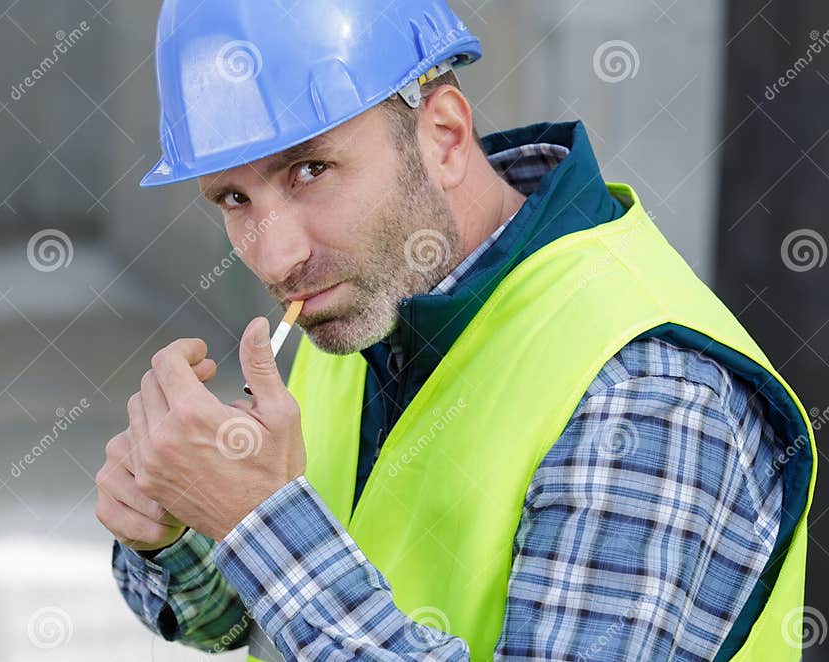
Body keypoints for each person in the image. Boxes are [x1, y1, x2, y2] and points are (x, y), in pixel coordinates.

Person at [94, 1, 817, 660]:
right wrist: (178, 525)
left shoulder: (649, 395)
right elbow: (241, 621)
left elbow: (294, 574)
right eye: (232, 197)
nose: (276, 255)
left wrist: (260, 522)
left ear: (442, 136)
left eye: (311, 169)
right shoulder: (362, 300)